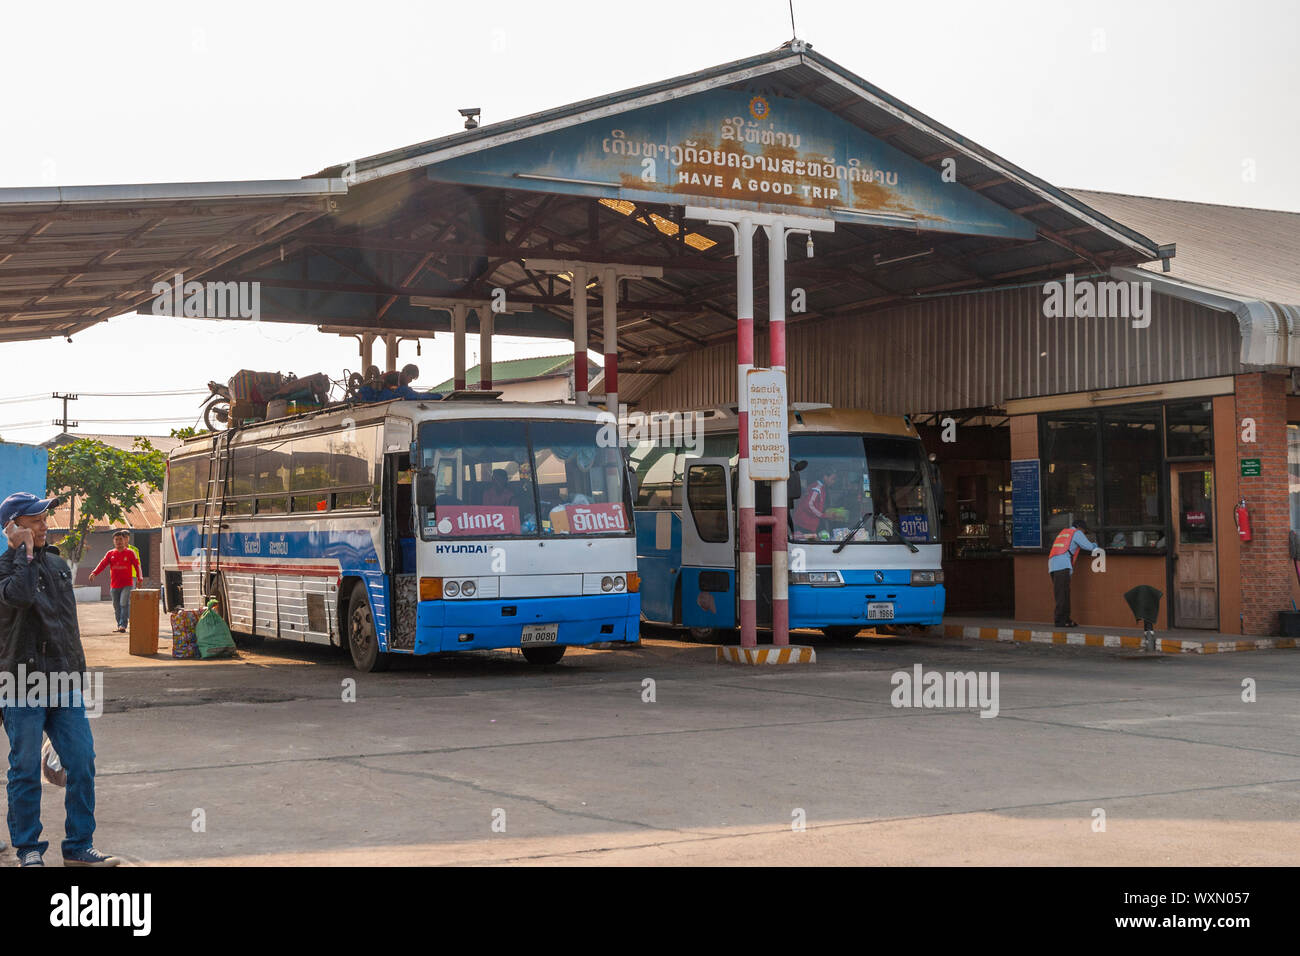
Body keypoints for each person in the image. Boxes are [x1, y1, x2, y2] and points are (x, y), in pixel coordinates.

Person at [0, 492, 120, 867]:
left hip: (63, 684)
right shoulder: (6, 569)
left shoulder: (57, 565)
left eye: (44, 517)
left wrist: (77, 674)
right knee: (24, 770)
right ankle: (28, 848)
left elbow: (68, 626)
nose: (44, 524)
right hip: (20, 684)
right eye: (35, 519)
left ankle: (79, 846)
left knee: (82, 761)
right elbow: (19, 596)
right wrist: (23, 552)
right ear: (14, 527)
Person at [1047, 517, 1098, 628]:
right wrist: (1097, 546)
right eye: (1085, 531)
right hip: (1062, 566)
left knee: (1062, 594)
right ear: (1080, 528)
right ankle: (1060, 621)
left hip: (1053, 566)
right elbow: (1089, 546)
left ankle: (1066, 620)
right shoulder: (1076, 533)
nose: (1084, 534)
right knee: (1063, 595)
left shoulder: (1063, 532)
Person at [89, 530, 141, 633]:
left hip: (128, 584)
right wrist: (94, 573)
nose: (119, 542)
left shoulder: (131, 553)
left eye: (120, 539)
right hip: (114, 585)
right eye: (116, 540)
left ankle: (123, 625)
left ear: (125, 540)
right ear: (113, 541)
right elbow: (102, 564)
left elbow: (137, 566)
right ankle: (119, 625)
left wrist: (140, 579)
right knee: (116, 606)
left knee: (123, 603)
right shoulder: (110, 554)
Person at [792, 469, 837, 538]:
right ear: (825, 477)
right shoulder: (816, 488)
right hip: (804, 524)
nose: (834, 482)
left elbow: (817, 506)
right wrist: (823, 515)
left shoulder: (822, 488)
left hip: (810, 523)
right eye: (833, 479)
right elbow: (809, 505)